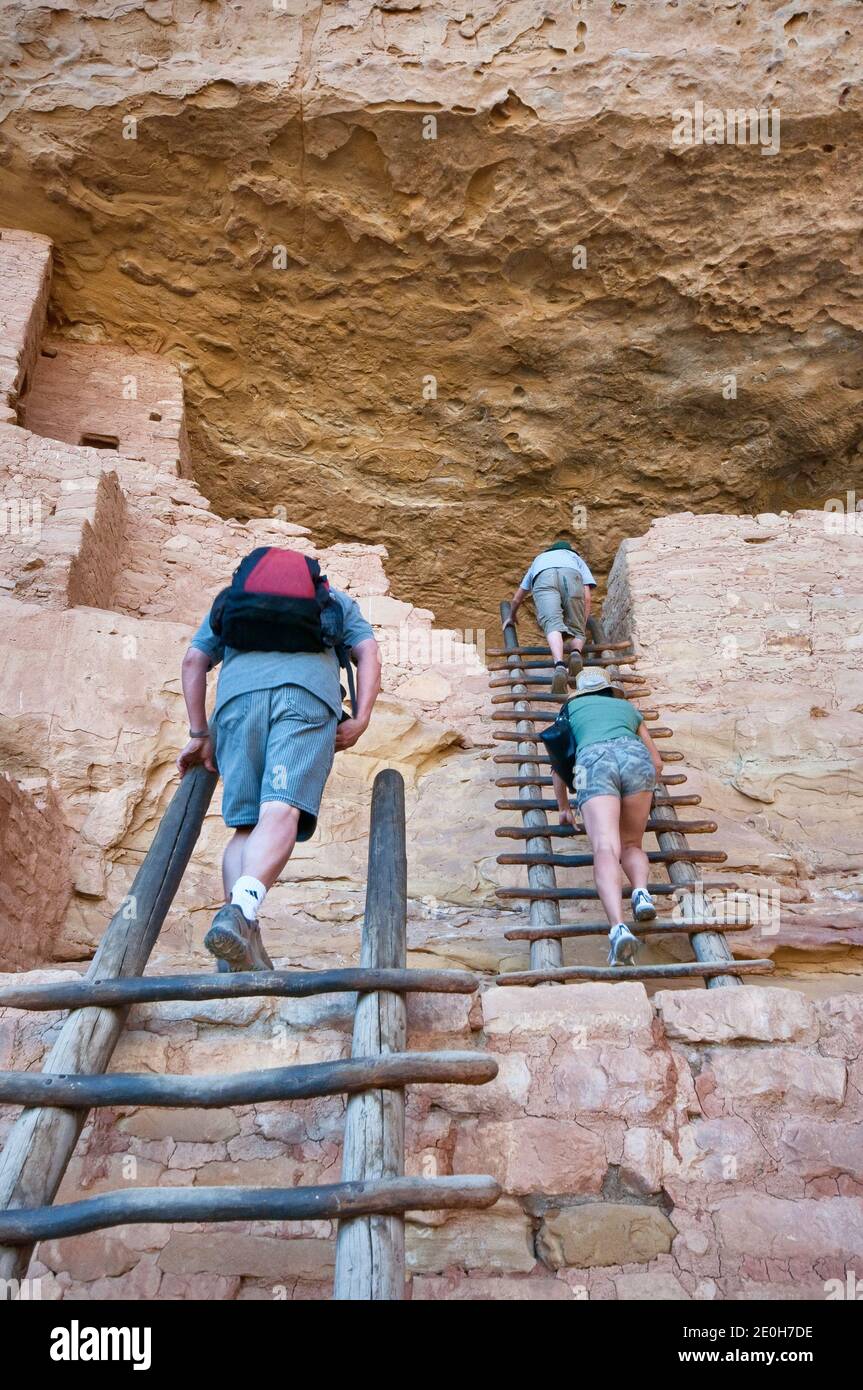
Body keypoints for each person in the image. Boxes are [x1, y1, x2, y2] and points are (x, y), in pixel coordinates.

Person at [177, 550, 381, 973]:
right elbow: (368, 653)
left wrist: (200, 734)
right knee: (282, 806)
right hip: (303, 698)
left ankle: (240, 937)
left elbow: (194, 660)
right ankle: (241, 913)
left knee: (246, 826)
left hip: (235, 705)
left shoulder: (232, 601)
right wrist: (361, 718)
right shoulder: (334, 602)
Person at [542, 667, 664, 966]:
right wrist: (645, 789)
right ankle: (640, 892)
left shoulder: (571, 708)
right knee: (632, 844)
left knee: (606, 847)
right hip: (636, 759)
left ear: (582, 690)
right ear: (609, 689)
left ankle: (618, 928)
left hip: (592, 762)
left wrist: (563, 807)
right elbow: (657, 762)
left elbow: (559, 761)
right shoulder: (626, 708)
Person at [506, 538, 596, 695]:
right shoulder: (575, 558)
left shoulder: (540, 559)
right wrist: (581, 622)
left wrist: (511, 616)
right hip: (571, 574)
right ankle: (575, 654)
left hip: (544, 576)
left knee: (552, 623)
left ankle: (559, 665)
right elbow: (587, 597)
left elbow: (517, 598)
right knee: (577, 628)